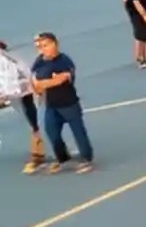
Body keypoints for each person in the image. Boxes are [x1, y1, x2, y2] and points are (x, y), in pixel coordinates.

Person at [31, 32, 94, 174]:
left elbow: (61, 79)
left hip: (69, 104)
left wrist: (44, 83)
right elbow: (35, 80)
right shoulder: (39, 61)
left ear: (55, 44)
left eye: (46, 45)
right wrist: (42, 85)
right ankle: (63, 158)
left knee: (78, 132)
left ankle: (86, 158)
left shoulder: (64, 61)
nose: (43, 49)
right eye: (40, 46)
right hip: (51, 105)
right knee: (52, 132)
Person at [0, 39, 48, 174]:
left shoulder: (6, 60)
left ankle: (38, 149)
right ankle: (39, 144)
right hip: (17, 90)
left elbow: (15, 77)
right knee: (31, 116)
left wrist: (5, 95)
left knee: (32, 117)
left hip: (21, 90)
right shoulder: (10, 58)